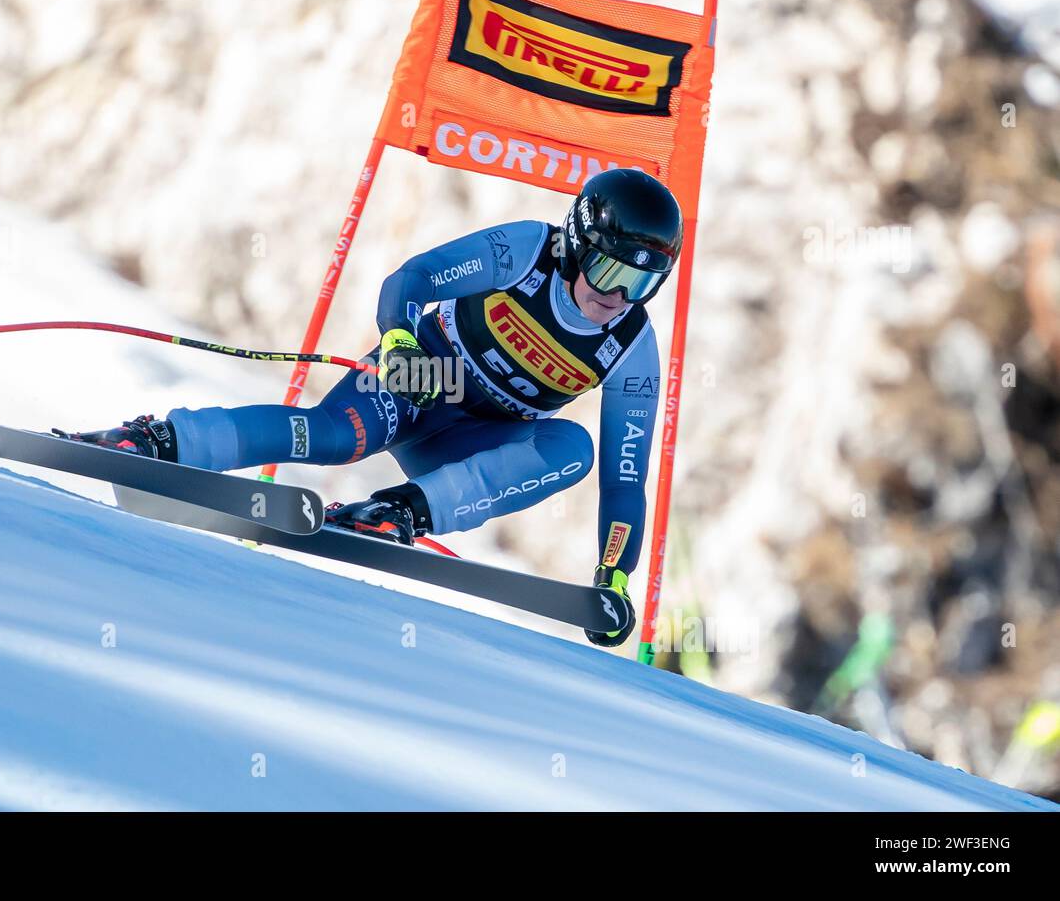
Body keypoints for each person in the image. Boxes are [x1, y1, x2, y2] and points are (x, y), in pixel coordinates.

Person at [63, 168, 680, 647]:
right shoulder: (526, 251)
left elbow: (626, 481)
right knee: (333, 437)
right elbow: (413, 280)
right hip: (426, 377)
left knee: (574, 450)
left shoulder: (633, 348)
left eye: (642, 285)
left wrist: (613, 575)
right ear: (577, 246)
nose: (618, 297)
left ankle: (397, 514)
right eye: (608, 271)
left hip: (477, 439)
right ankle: (160, 441)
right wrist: (402, 343)